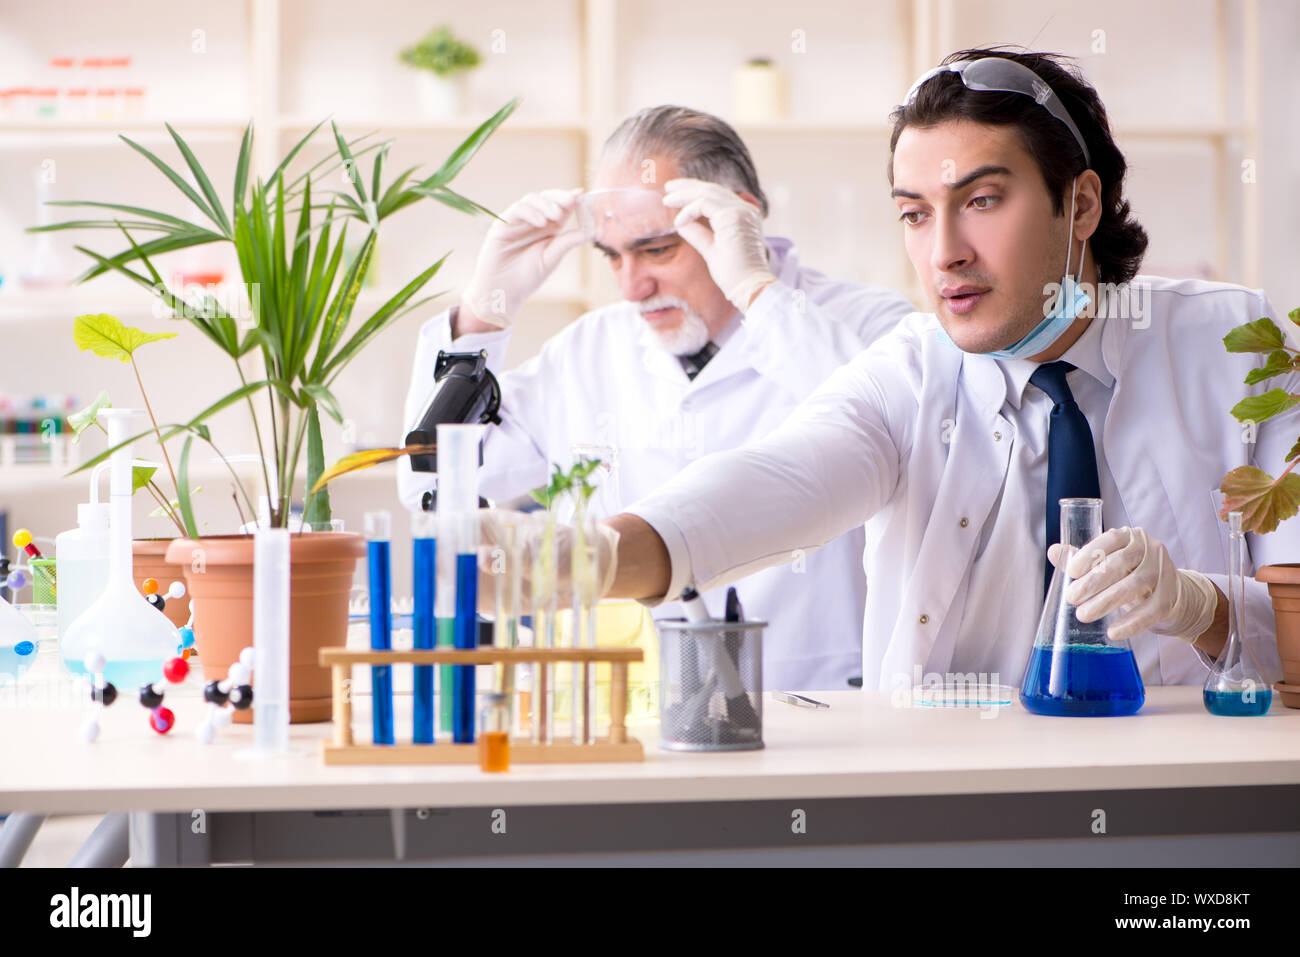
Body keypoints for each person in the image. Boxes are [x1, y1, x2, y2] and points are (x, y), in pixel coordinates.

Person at [599, 50, 1297, 692]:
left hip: (1189, 788)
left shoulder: (1235, 345)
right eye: (914, 213)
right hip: (958, 796)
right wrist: (584, 559)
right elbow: (768, 485)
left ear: (1080, 204)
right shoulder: (910, 372)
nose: (944, 253)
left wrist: (1202, 606)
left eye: (982, 200)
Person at [399, 105, 915, 690]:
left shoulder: (870, 327)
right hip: (621, 717)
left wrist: (757, 293)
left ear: (734, 220)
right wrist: (481, 316)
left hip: (814, 707)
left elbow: (895, 444)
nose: (630, 285)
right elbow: (428, 483)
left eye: (656, 250)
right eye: (612, 255)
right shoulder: (588, 350)